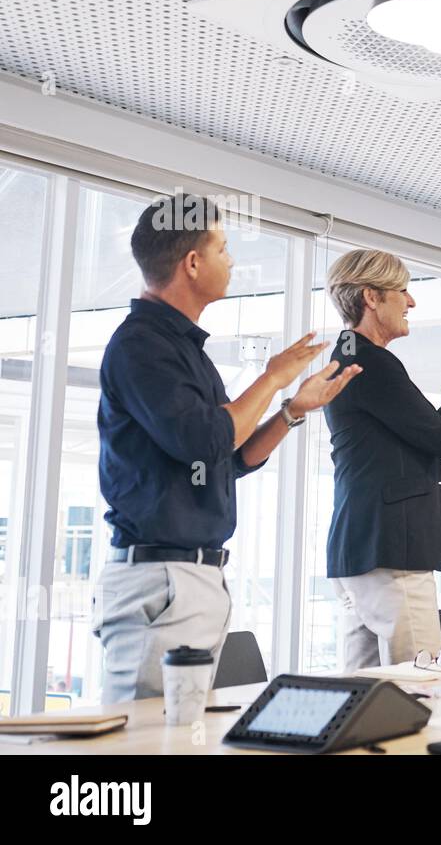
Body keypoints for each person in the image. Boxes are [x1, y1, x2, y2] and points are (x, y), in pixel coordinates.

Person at [94, 194, 360, 704]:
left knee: (184, 735)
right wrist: (272, 375)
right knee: (147, 738)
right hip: (162, 579)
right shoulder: (140, 345)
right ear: (192, 263)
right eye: (223, 248)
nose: (232, 260)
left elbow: (225, 458)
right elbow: (206, 439)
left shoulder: (185, 351)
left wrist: (291, 410)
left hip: (195, 578)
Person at [323, 250, 441, 671]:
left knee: (362, 697)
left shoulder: (348, 355)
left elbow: (428, 431)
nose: (411, 302)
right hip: (393, 556)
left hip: (360, 551)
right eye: (402, 291)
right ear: (371, 297)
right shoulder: (372, 363)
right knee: (422, 690)